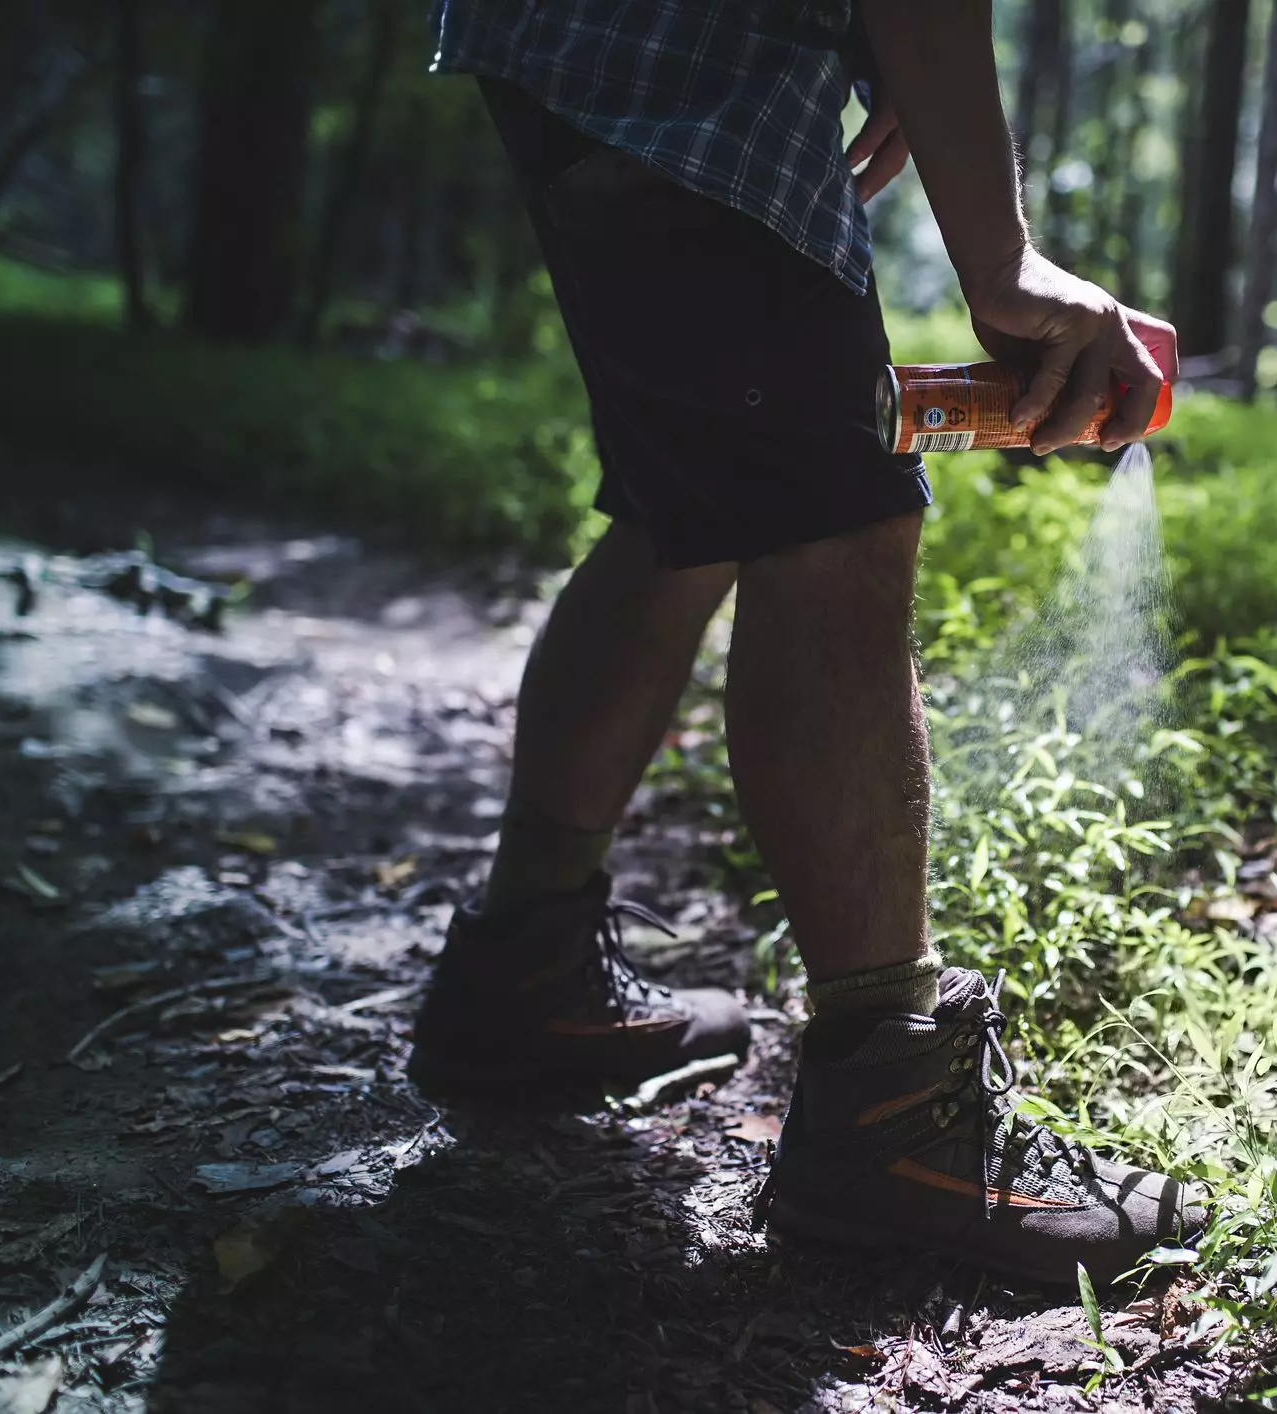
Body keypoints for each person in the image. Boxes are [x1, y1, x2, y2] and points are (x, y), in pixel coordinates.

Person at [409, 0, 1204, 1286]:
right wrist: (1003, 263)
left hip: (603, 52)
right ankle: (895, 1121)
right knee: (836, 527)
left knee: (693, 513)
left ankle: (525, 970)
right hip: (697, 70)